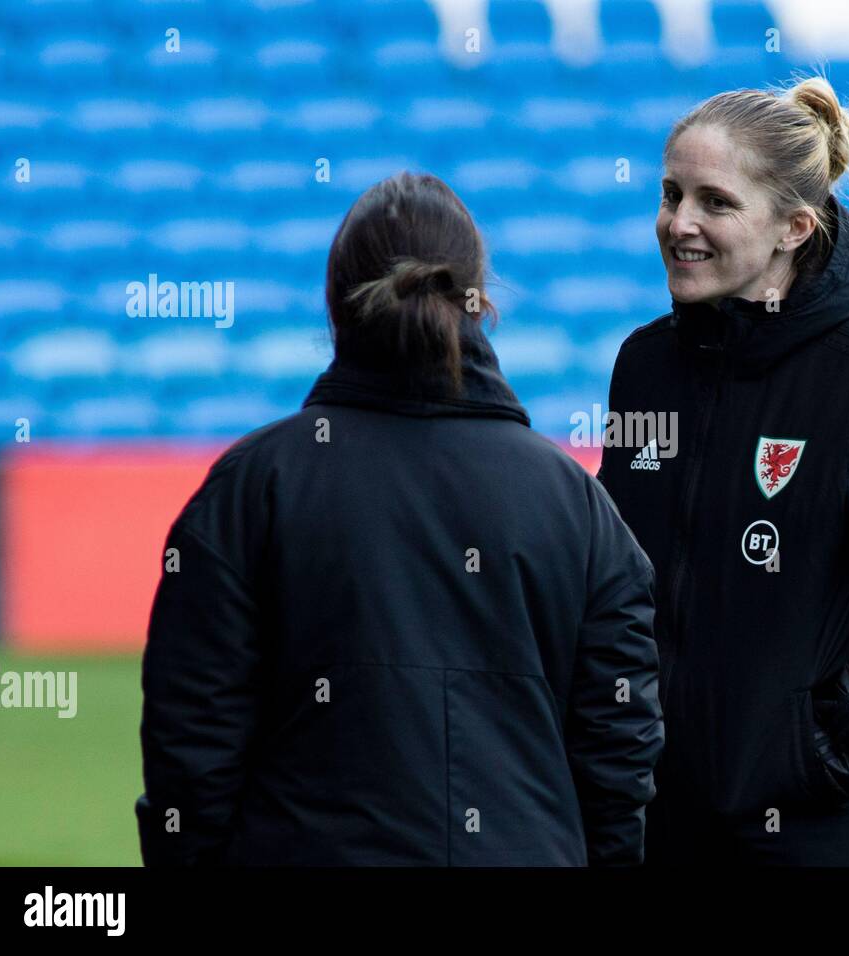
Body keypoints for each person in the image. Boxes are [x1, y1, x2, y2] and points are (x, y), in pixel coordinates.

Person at [137, 172, 664, 866]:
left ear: (335, 304)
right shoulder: (577, 503)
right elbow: (619, 751)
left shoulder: (251, 488)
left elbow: (190, 746)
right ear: (479, 302)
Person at [597, 76, 849, 865]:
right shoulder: (645, 365)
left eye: (715, 202)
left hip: (817, 841)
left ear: (794, 227)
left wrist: (805, 757)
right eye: (671, 192)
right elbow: (617, 587)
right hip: (654, 832)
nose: (679, 223)